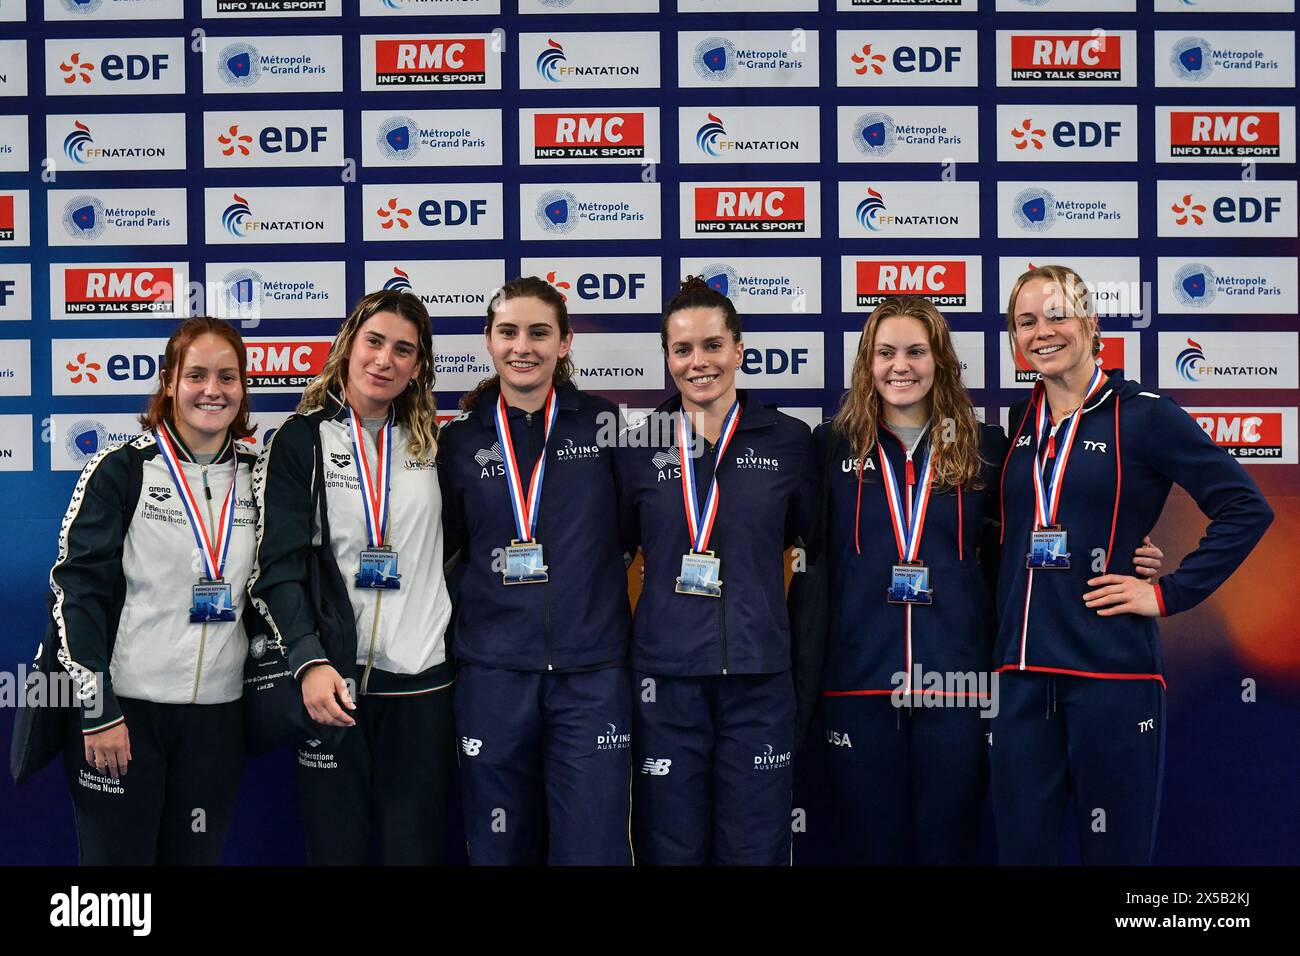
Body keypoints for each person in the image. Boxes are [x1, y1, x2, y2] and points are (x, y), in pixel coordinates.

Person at [810, 296, 1166, 865]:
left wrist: (1131, 552)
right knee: (868, 850)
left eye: (916, 352)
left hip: (959, 684)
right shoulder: (829, 448)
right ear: (866, 363)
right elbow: (777, 531)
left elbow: (1041, 529)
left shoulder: (986, 448)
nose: (901, 366)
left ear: (940, 361)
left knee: (950, 848)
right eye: (886, 353)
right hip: (858, 683)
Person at [991, 264, 1273, 864]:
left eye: (1058, 314)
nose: (1043, 330)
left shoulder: (1145, 413)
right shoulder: (1017, 426)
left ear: (1091, 324)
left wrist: (1167, 593)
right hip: (1020, 681)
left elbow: (1245, 507)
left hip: (1111, 676)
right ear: (1015, 340)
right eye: (1027, 321)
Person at [248, 290, 455, 865]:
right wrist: (309, 660)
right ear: (347, 347)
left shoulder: (436, 443)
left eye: (403, 350)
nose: (385, 360)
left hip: (423, 683)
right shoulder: (301, 439)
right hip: (333, 687)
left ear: (419, 366)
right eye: (374, 342)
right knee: (338, 851)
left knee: (412, 851)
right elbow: (278, 567)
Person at [615, 277, 816, 865]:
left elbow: (806, 544)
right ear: (667, 358)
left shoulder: (789, 441)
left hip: (759, 678)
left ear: (738, 351)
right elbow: (619, 551)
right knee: (670, 847)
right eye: (682, 349)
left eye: (712, 345)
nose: (698, 362)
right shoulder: (639, 446)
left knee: (754, 846)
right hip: (666, 680)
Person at [437, 276, 633, 865]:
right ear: (489, 342)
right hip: (495, 675)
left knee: (591, 850)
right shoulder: (461, 441)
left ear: (566, 343)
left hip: (591, 675)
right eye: (508, 332)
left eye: (540, 333)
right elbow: (450, 548)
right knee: (498, 848)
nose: (523, 346)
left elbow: (632, 534)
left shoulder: (605, 426)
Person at [52, 316, 258, 864]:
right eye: (196, 375)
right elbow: (77, 594)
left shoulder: (260, 478)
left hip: (217, 721)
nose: (212, 390)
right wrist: (98, 710)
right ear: (168, 382)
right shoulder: (121, 470)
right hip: (125, 716)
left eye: (228, 377)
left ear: (243, 387)